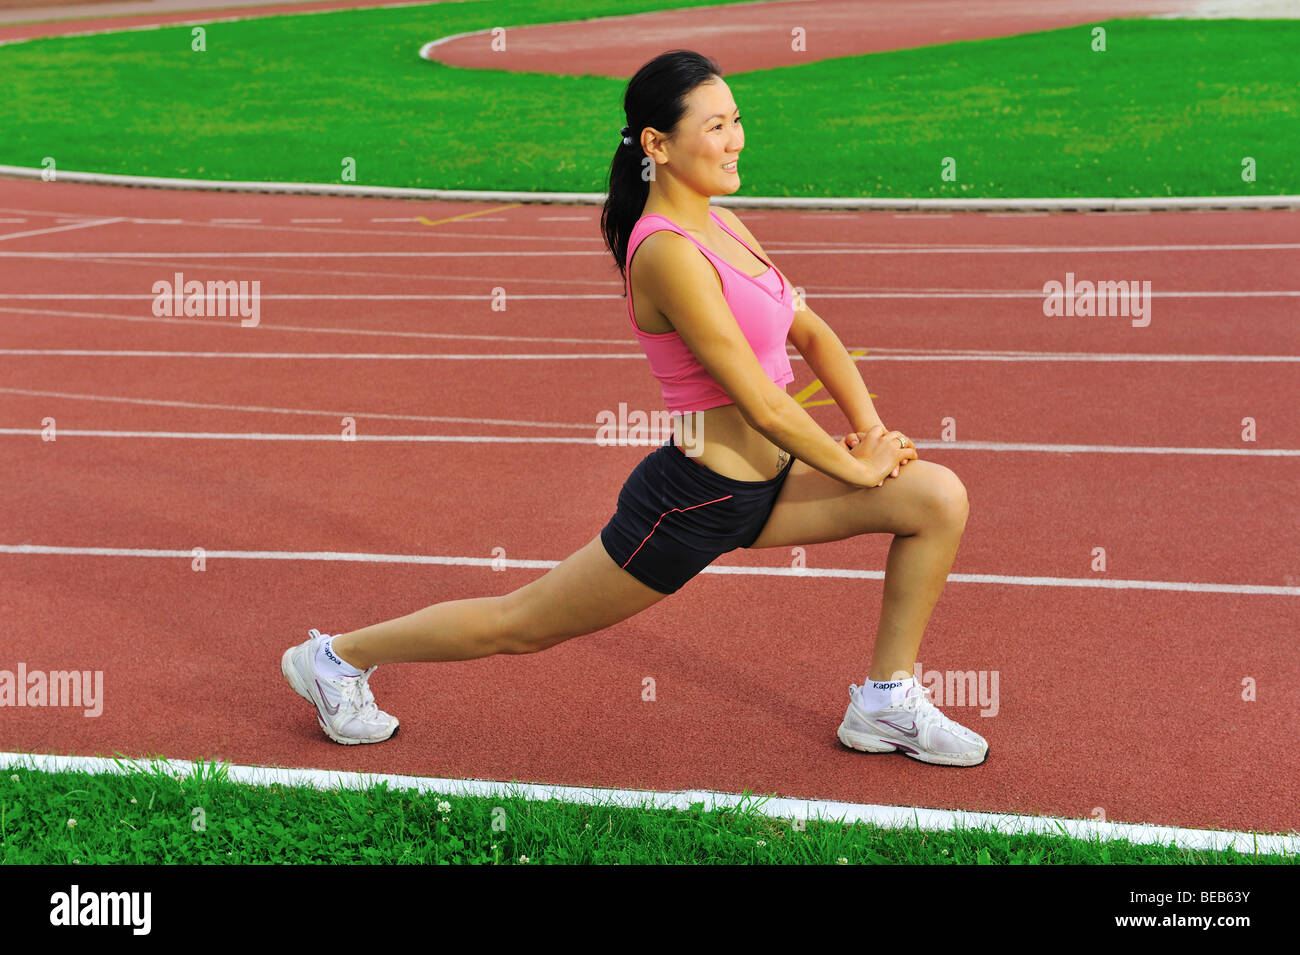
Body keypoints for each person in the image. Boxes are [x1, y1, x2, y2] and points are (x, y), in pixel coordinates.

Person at [281, 49, 988, 767]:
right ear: (657, 144)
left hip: (770, 485)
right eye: (715, 126)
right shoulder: (666, 253)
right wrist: (854, 467)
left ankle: (883, 703)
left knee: (936, 499)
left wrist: (869, 432)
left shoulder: (727, 224)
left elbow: (809, 328)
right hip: (696, 501)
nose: (736, 138)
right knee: (523, 623)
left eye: (737, 120)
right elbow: (762, 403)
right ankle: (336, 658)